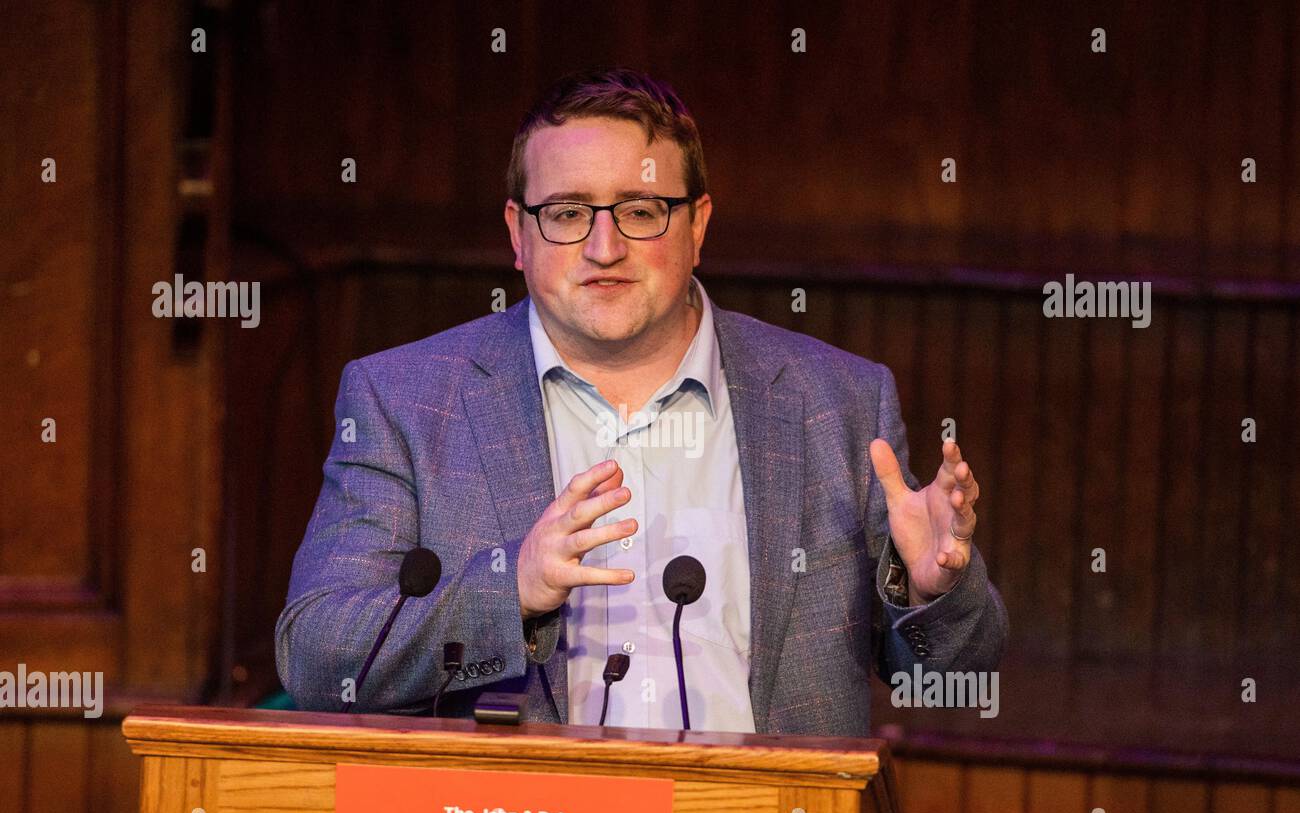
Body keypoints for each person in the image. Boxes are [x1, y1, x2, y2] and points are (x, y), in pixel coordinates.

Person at [275, 67, 1007, 736]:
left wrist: (930, 590)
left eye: (640, 209)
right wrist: (512, 590)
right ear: (517, 235)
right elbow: (316, 660)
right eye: (566, 213)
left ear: (698, 226)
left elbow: (956, 678)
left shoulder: (837, 403)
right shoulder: (404, 400)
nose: (603, 247)